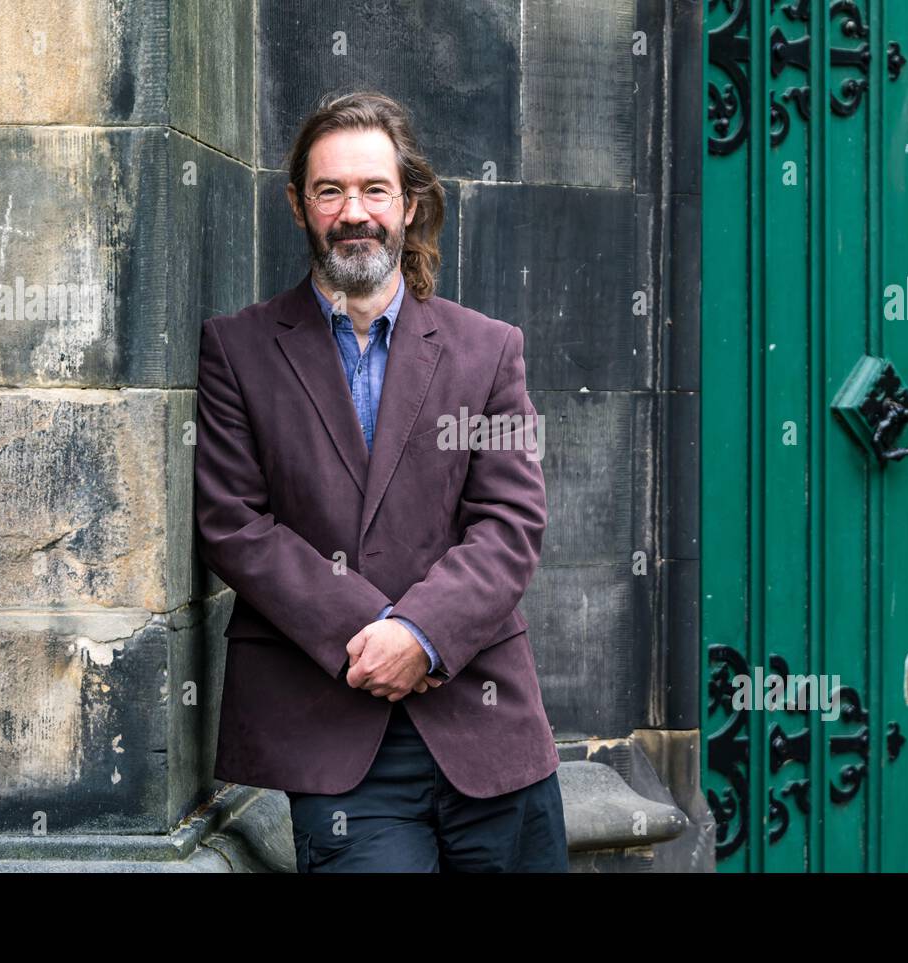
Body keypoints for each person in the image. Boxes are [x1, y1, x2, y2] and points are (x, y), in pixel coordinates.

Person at [193, 90, 567, 872]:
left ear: (408, 203)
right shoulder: (238, 349)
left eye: (373, 190)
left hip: (483, 722)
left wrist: (421, 635)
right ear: (300, 206)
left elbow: (510, 520)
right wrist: (373, 636)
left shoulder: (489, 350)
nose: (352, 212)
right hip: (335, 734)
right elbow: (234, 522)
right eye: (330, 191)